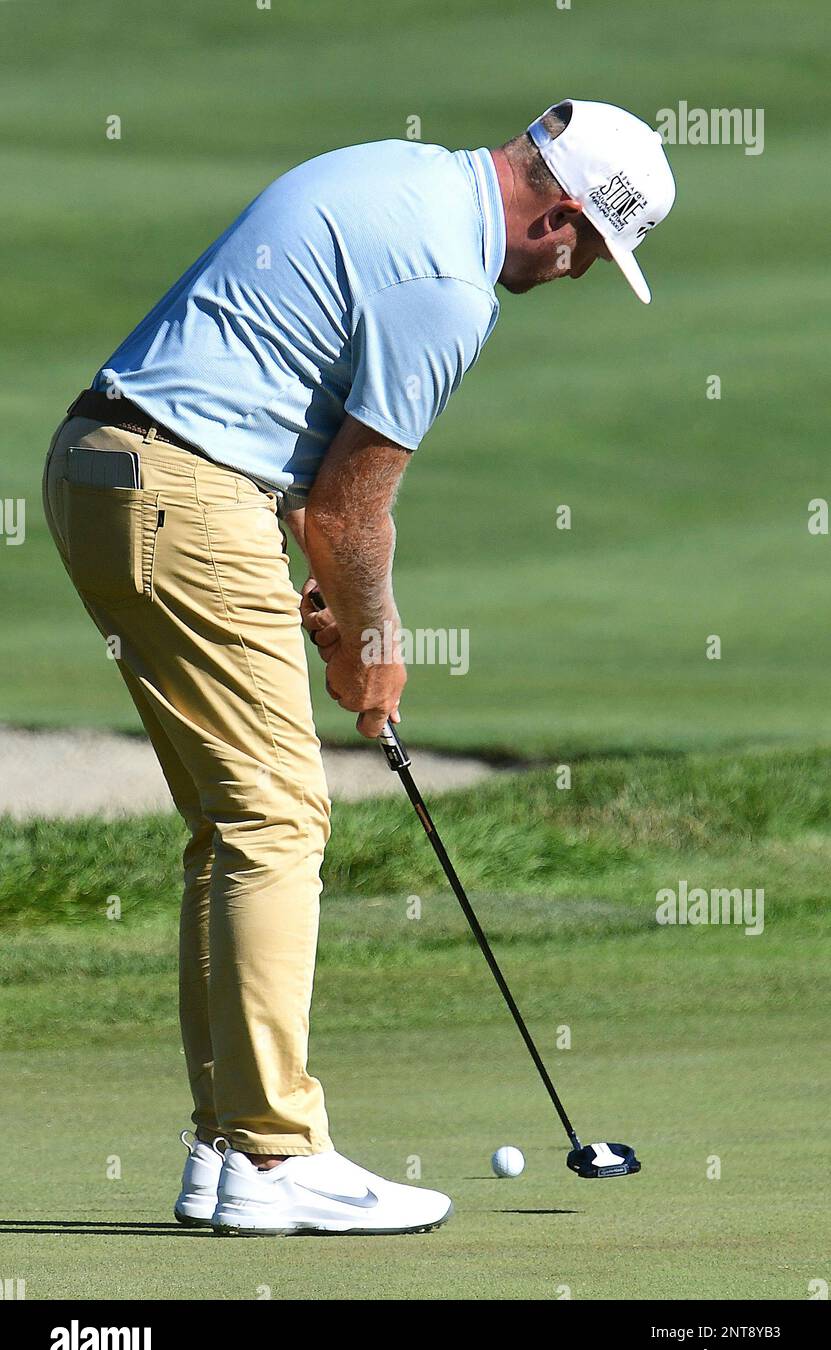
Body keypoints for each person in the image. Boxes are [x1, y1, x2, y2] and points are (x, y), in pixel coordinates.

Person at [42, 99, 675, 1236]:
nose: (579, 272)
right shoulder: (450, 284)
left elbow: (297, 435)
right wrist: (377, 651)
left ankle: (230, 1148)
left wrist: (340, 595)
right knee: (282, 818)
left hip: (105, 469)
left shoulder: (399, 173)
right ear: (561, 217)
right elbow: (350, 509)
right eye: (591, 248)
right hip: (183, 490)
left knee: (241, 823)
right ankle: (277, 1156)